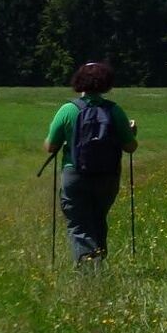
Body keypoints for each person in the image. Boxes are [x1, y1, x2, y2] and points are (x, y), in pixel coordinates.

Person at [44, 61, 138, 266]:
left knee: (79, 224)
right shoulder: (115, 111)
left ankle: (90, 271)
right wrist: (131, 132)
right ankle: (97, 262)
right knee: (98, 218)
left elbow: (51, 147)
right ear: (106, 84)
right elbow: (130, 147)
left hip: (75, 174)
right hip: (107, 175)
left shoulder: (68, 110)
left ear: (79, 82)